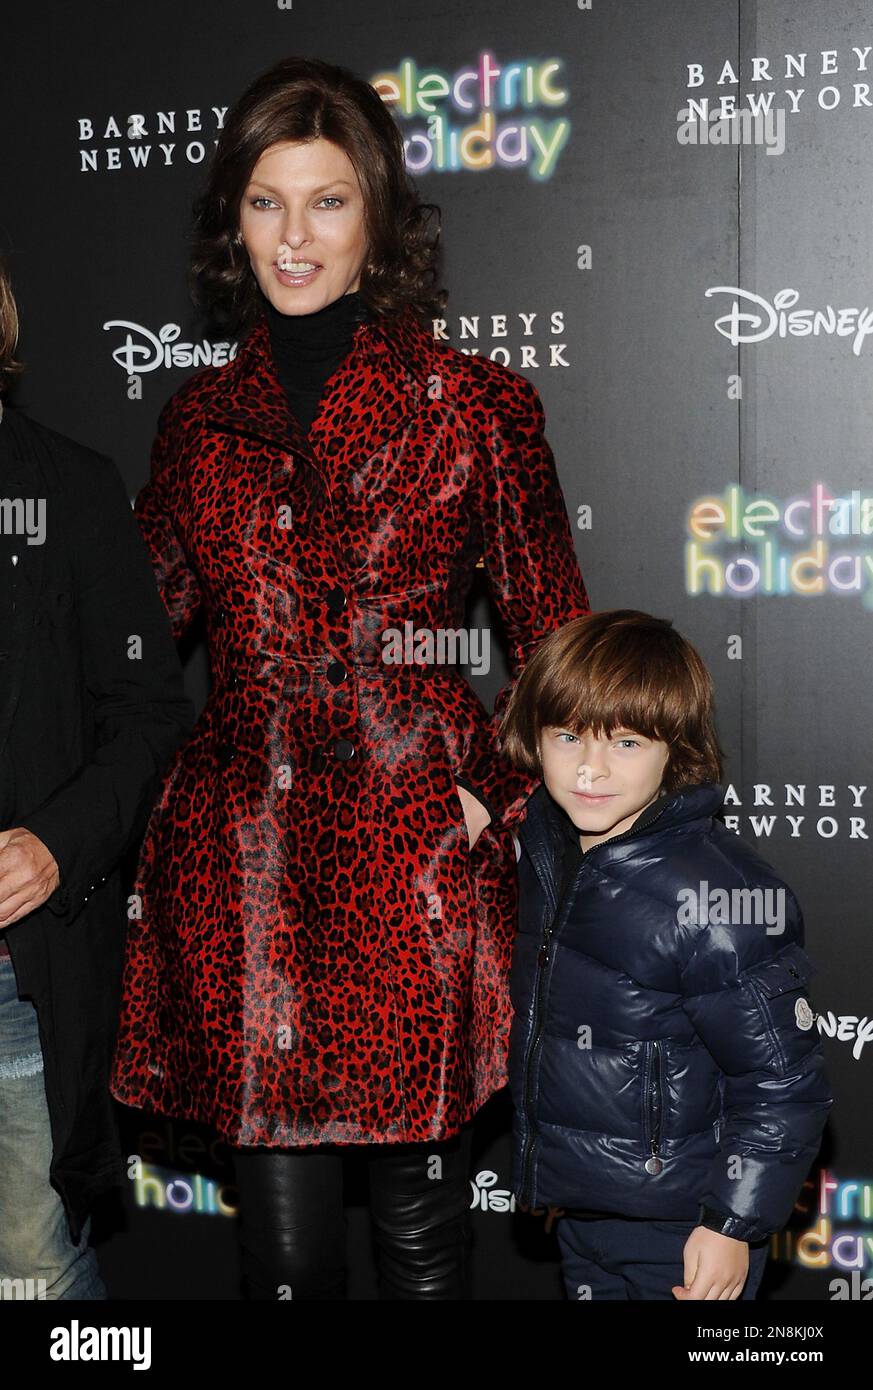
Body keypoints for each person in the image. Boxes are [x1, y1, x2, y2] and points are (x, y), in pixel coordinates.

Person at [108, 56, 591, 1300]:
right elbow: (130, 633)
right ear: (234, 221)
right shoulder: (200, 421)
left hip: (410, 867)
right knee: (281, 1255)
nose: (294, 236)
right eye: (267, 203)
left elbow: (560, 649)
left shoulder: (476, 407)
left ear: (376, 217)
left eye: (326, 201)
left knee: (424, 1251)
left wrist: (492, 798)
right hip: (249, 875)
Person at [499, 609, 833, 1300]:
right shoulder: (545, 851)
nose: (589, 768)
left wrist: (732, 1225)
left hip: (686, 1229)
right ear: (534, 739)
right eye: (567, 737)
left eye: (624, 742)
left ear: (672, 751)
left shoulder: (718, 895)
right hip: (582, 1217)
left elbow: (781, 1083)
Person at [0, 259, 195, 1298]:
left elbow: (147, 709)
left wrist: (53, 844)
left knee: (31, 1271)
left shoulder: (68, 489)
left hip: (15, 974)